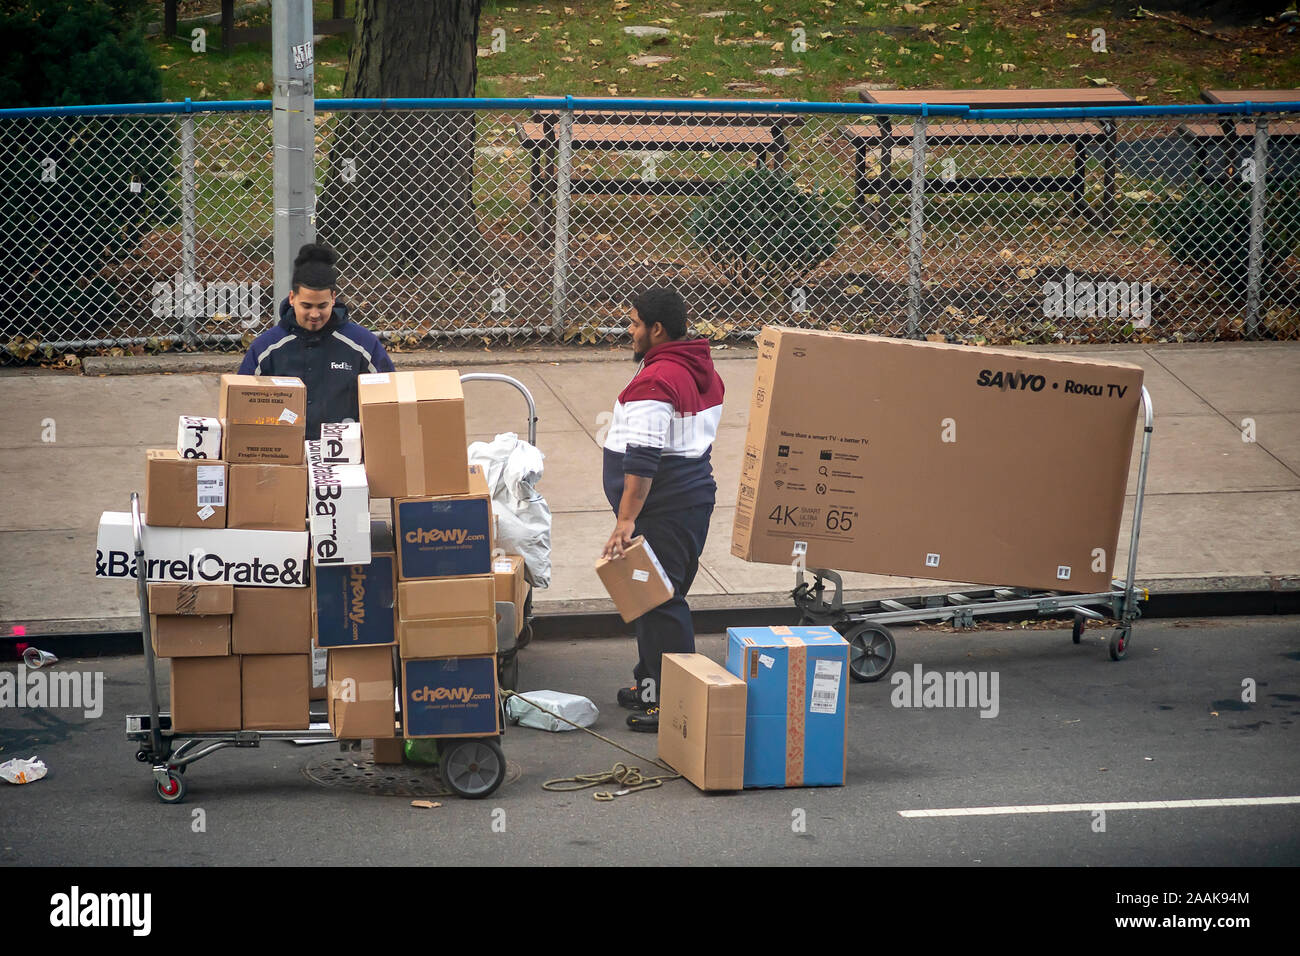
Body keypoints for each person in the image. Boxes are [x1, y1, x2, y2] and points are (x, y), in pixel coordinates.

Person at [600, 286, 724, 733]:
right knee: (648, 595)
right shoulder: (695, 367)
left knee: (661, 600)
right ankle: (650, 683)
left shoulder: (657, 380)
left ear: (657, 329)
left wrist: (625, 520)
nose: (629, 331)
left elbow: (644, 458)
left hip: (665, 510)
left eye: (634, 323)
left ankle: (672, 702)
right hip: (687, 503)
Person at [238, 243, 394, 440]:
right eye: (306, 305)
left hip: (348, 457)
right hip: (283, 454)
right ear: (292, 298)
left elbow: (389, 402)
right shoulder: (266, 347)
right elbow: (240, 405)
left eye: (322, 306)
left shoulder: (363, 344)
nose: (314, 314)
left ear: (333, 298)